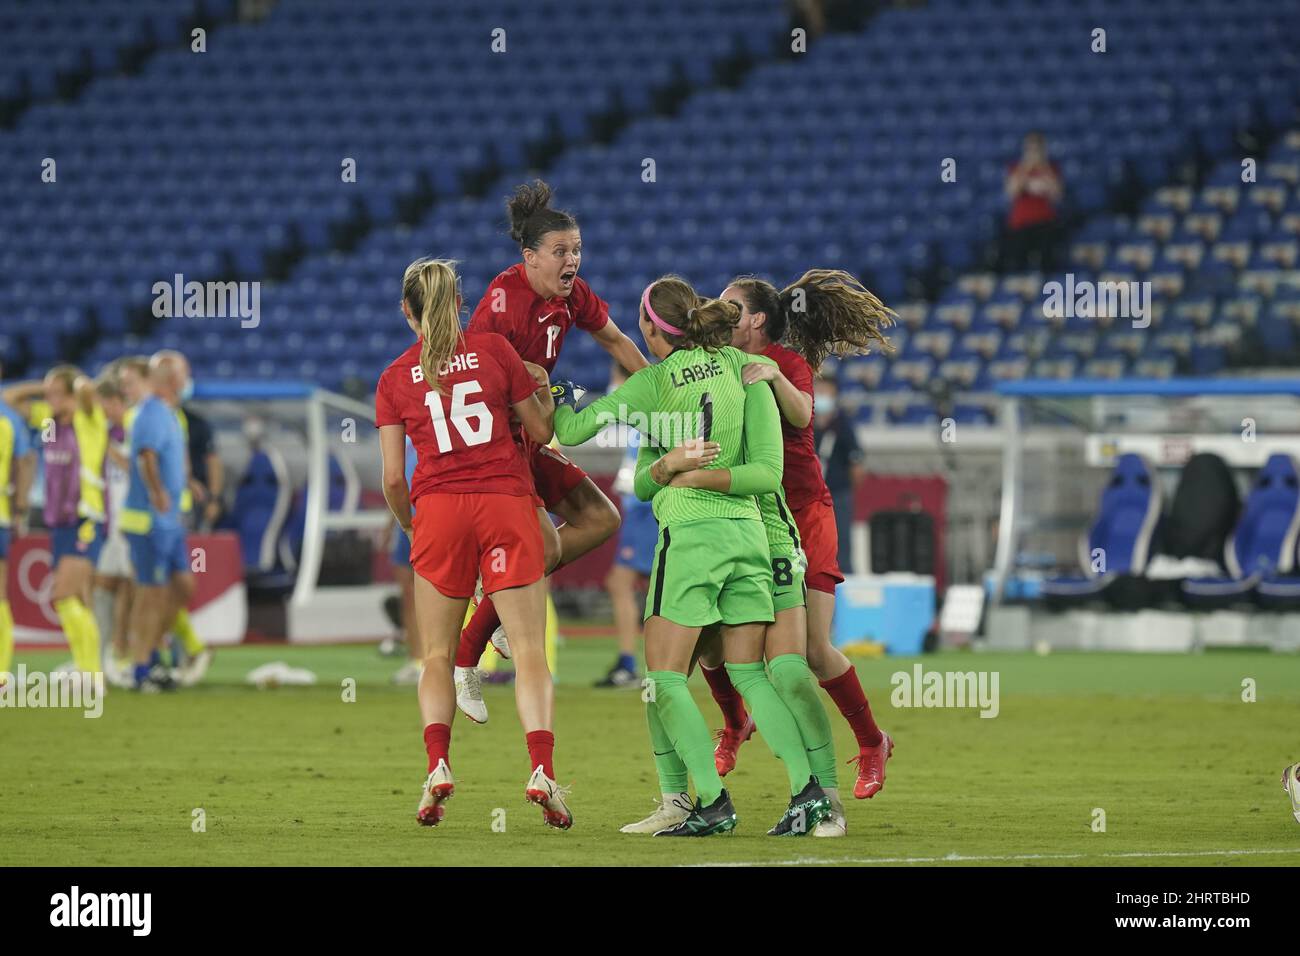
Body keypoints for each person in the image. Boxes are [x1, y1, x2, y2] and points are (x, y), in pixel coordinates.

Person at [554, 275, 832, 837]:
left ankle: (708, 800)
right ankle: (809, 793)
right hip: (750, 537)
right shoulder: (741, 367)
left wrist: (559, 392)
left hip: (691, 544)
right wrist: (664, 468)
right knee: (752, 674)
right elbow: (764, 473)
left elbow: (573, 429)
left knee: (661, 680)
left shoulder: (650, 385)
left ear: (650, 329)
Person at [375, 256, 570, 829]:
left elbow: (390, 477)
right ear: (460, 305)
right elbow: (540, 432)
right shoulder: (494, 352)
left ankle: (437, 765)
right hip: (505, 503)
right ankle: (541, 771)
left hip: (437, 509)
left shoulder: (393, 378)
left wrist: (413, 526)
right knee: (530, 651)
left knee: (435, 656)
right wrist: (548, 394)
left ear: (407, 311)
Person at [452, 179, 648, 722]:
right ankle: (465, 657)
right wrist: (527, 380)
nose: (573, 261)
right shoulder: (500, 303)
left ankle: (487, 608)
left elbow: (614, 341)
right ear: (530, 257)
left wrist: (662, 386)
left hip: (532, 435)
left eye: (577, 250)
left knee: (597, 520)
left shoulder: (571, 296)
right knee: (538, 550)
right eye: (561, 252)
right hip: (496, 446)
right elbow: (473, 383)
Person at [700, 270, 897, 802]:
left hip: (804, 514)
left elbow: (803, 411)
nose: (720, 313)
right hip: (747, 517)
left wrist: (771, 376)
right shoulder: (718, 363)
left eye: (730, 306)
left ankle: (872, 741)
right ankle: (734, 720)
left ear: (757, 319)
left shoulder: (786, 364)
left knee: (811, 649)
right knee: (706, 636)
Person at [3, 367, 109, 679]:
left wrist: (73, 386)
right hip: (58, 521)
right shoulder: (48, 421)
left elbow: (89, 392)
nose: (49, 399)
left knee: (62, 595)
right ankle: (90, 670)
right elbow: (9, 398)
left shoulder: (89, 420)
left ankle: (90, 671)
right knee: (78, 600)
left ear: (72, 394)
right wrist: (47, 388)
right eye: (47, 394)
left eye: (56, 393)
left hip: (84, 518)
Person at [119, 351, 194, 692]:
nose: (187, 379)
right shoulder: (150, 413)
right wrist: (158, 492)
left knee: (182, 587)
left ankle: (152, 651)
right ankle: (140, 667)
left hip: (169, 521)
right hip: (148, 520)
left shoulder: (170, 414)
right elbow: (145, 456)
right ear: (169, 378)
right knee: (150, 593)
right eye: (183, 373)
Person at [596, 364, 656, 689]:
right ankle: (656, 670)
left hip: (644, 509)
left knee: (620, 583)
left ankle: (629, 663)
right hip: (644, 509)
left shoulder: (641, 413)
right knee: (653, 589)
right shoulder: (645, 413)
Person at [91, 366, 136, 685]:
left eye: (104, 404)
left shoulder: (136, 426)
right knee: (104, 585)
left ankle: (125, 653)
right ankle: (101, 654)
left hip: (135, 523)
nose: (101, 411)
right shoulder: (105, 432)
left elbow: (139, 468)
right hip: (112, 525)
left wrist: (106, 446)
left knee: (132, 589)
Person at [0, 362, 35, 682]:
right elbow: (24, 463)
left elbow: (24, 463)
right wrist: (19, 507)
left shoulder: (9, 415)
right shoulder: (9, 417)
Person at [813, 374, 865, 575]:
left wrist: (845, 491)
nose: (822, 396)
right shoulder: (804, 419)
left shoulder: (843, 425)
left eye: (826, 392)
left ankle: (845, 588)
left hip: (838, 494)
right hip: (811, 494)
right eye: (819, 391)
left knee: (842, 544)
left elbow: (856, 464)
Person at [386, 437, 423, 685]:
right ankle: (417, 661)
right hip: (406, 520)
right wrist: (392, 522)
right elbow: (395, 479)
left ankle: (459, 662)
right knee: (409, 593)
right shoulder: (404, 437)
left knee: (453, 591)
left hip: (435, 514)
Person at [1003, 131, 1064, 272]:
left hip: (1044, 220)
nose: (1033, 152)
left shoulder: (1052, 168)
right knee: (1017, 264)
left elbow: (1057, 194)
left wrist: (1044, 167)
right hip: (1020, 222)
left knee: (1048, 262)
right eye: (1030, 149)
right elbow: (1011, 192)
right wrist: (1025, 168)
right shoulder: (1016, 168)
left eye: (1036, 149)